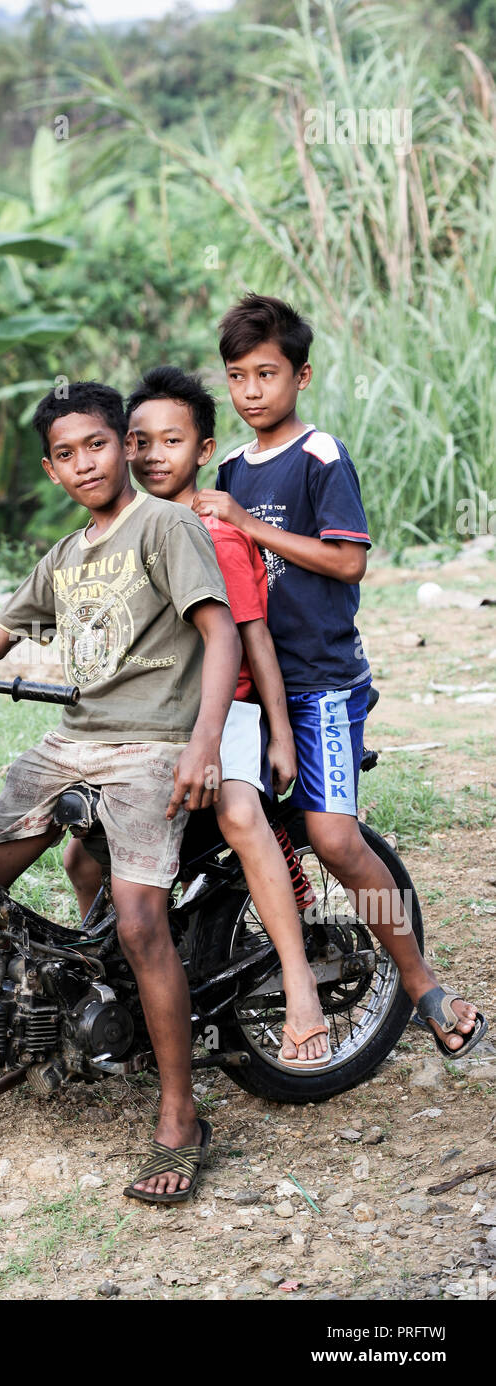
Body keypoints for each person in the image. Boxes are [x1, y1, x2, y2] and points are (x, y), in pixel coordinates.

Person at [0, 380, 242, 1203]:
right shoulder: (66, 556)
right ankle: (20, 1021)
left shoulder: (166, 527)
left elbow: (220, 631)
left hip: (150, 747)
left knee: (138, 922)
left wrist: (203, 744)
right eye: (65, 454)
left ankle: (179, 1113)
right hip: (72, 742)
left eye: (97, 444)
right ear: (52, 469)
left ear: (123, 447)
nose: (84, 463)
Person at [192, 292, 487, 1058]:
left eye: (267, 373)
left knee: (333, 835)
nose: (252, 391)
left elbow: (350, 559)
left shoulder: (319, 457)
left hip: (318, 678)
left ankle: (421, 983)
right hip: (253, 685)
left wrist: (250, 526)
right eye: (237, 377)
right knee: (231, 821)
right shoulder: (226, 467)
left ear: (302, 375)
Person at [65, 365, 332, 1067]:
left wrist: (277, 732)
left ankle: (301, 984)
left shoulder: (217, 534)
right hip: (160, 722)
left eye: (171, 441)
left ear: (204, 451)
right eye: (140, 441)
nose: (154, 455)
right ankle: (119, 976)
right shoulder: (122, 534)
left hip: (231, 709)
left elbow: (252, 637)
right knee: (80, 851)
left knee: (242, 814)